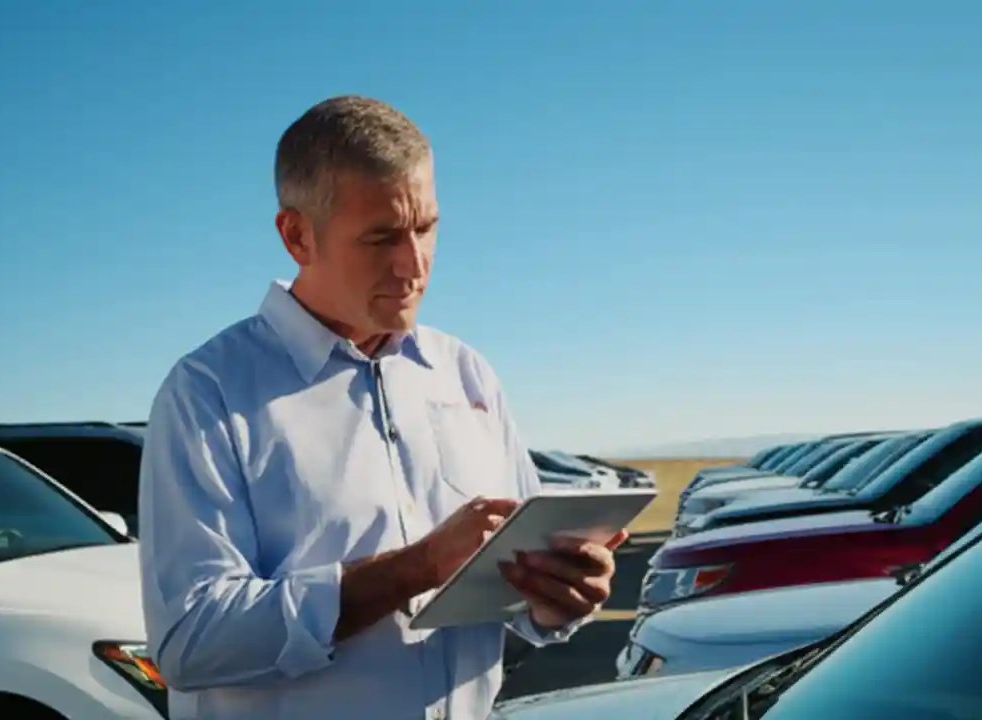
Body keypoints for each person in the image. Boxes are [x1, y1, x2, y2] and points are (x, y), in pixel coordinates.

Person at [137, 95, 627, 720]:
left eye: (426, 228)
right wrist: (413, 569)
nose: (414, 264)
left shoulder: (466, 373)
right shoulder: (208, 393)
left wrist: (553, 602)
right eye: (382, 237)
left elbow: (514, 604)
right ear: (296, 236)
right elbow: (190, 641)